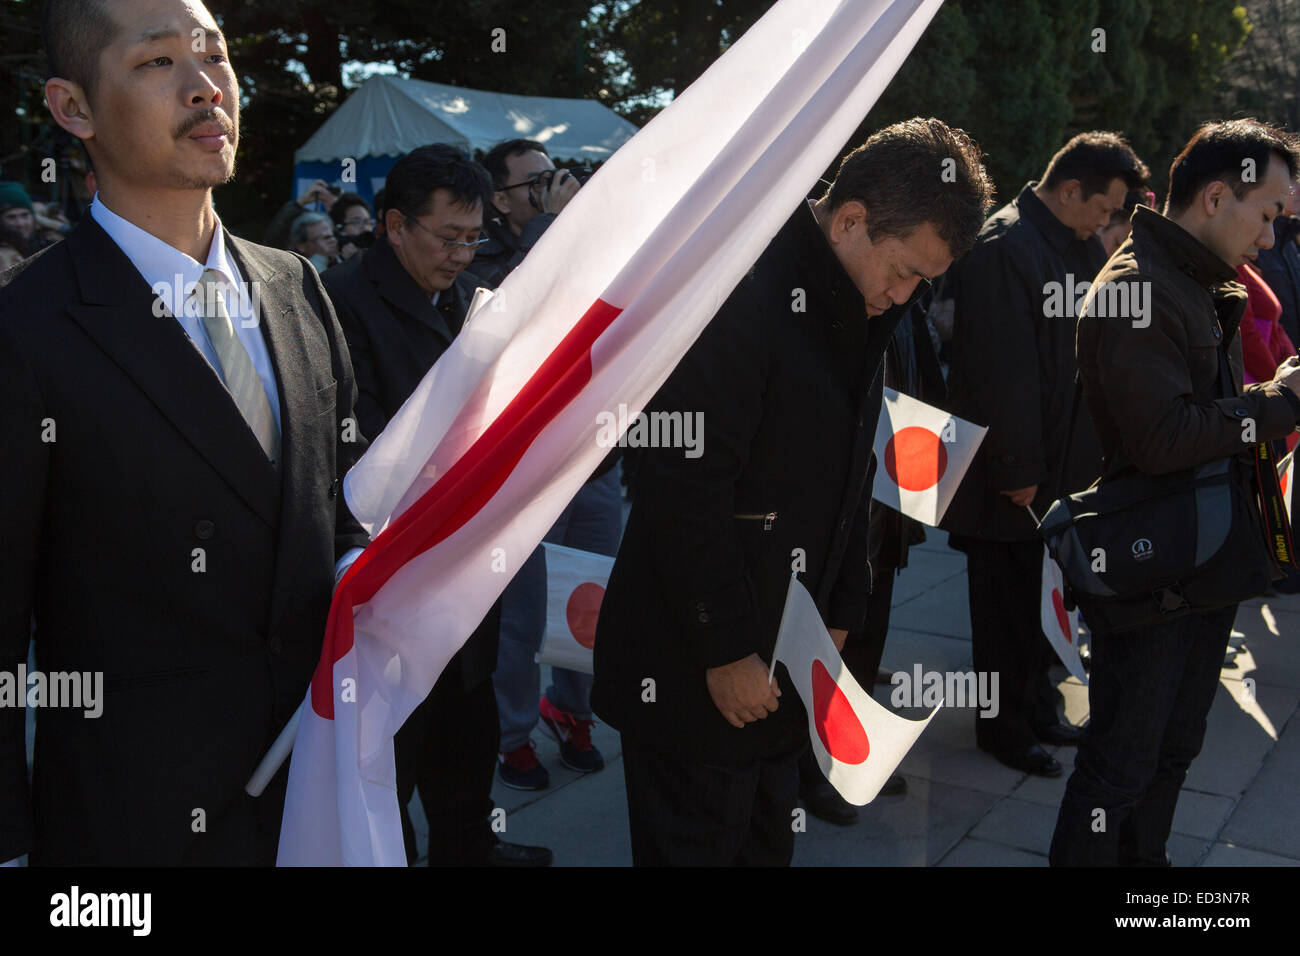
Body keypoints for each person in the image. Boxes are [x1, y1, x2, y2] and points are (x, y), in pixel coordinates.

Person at [0, 0, 370, 865]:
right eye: (159, 63)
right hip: (134, 821)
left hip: (320, 792)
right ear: (73, 108)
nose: (206, 87)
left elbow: (342, 503)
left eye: (215, 55)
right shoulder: (26, 332)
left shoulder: (297, 289)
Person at [591, 118, 994, 866]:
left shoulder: (855, 296)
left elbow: (852, 473)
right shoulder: (739, 285)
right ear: (850, 220)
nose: (905, 296)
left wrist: (844, 609)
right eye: (903, 271)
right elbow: (681, 482)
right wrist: (727, 650)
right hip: (695, 669)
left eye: (922, 283)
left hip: (785, 660)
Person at [1051, 119, 1300, 867]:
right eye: (1267, 215)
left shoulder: (1190, 276)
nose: (1270, 239)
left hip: (1202, 555)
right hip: (1154, 562)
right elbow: (1162, 438)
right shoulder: (1136, 287)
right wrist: (1278, 403)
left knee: (1174, 747)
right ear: (1217, 196)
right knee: (1122, 758)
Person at [323, 144, 550, 867]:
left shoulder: (466, 298)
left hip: (461, 575)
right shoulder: (339, 302)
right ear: (393, 225)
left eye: (473, 237)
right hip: (386, 579)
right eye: (447, 237)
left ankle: (471, 847)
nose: (461, 254)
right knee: (392, 755)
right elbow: (360, 449)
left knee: (468, 736)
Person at [942, 132, 1150, 778]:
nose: (1108, 223)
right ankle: (1001, 727)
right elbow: (1004, 377)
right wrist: (1020, 472)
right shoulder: (1004, 249)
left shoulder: (1078, 245)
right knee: (1003, 607)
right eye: (1105, 208)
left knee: (1044, 603)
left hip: (1063, 474)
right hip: (1013, 479)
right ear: (1068, 191)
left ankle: (1038, 705)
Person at [478, 139, 617, 791]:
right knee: (525, 614)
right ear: (498, 198)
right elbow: (516, 323)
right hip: (526, 471)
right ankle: (511, 735)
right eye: (534, 182)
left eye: (555, 175)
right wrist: (549, 233)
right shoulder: (484, 257)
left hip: (595, 459)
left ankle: (572, 710)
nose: (553, 187)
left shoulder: (589, 245)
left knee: (586, 605)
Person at [475, 139, 580, 287]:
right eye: (538, 182)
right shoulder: (477, 255)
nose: (551, 190)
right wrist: (550, 220)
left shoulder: (575, 237)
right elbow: (511, 294)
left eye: (553, 179)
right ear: (502, 200)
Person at [263, 178, 338, 250]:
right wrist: (300, 202)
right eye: (325, 237)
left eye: (331, 235)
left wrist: (337, 207)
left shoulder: (344, 253)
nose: (332, 241)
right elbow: (273, 243)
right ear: (302, 246)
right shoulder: (292, 261)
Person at [330, 193, 375, 262]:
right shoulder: (328, 258)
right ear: (339, 228)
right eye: (356, 222)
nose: (365, 228)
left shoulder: (381, 251)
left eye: (367, 222)